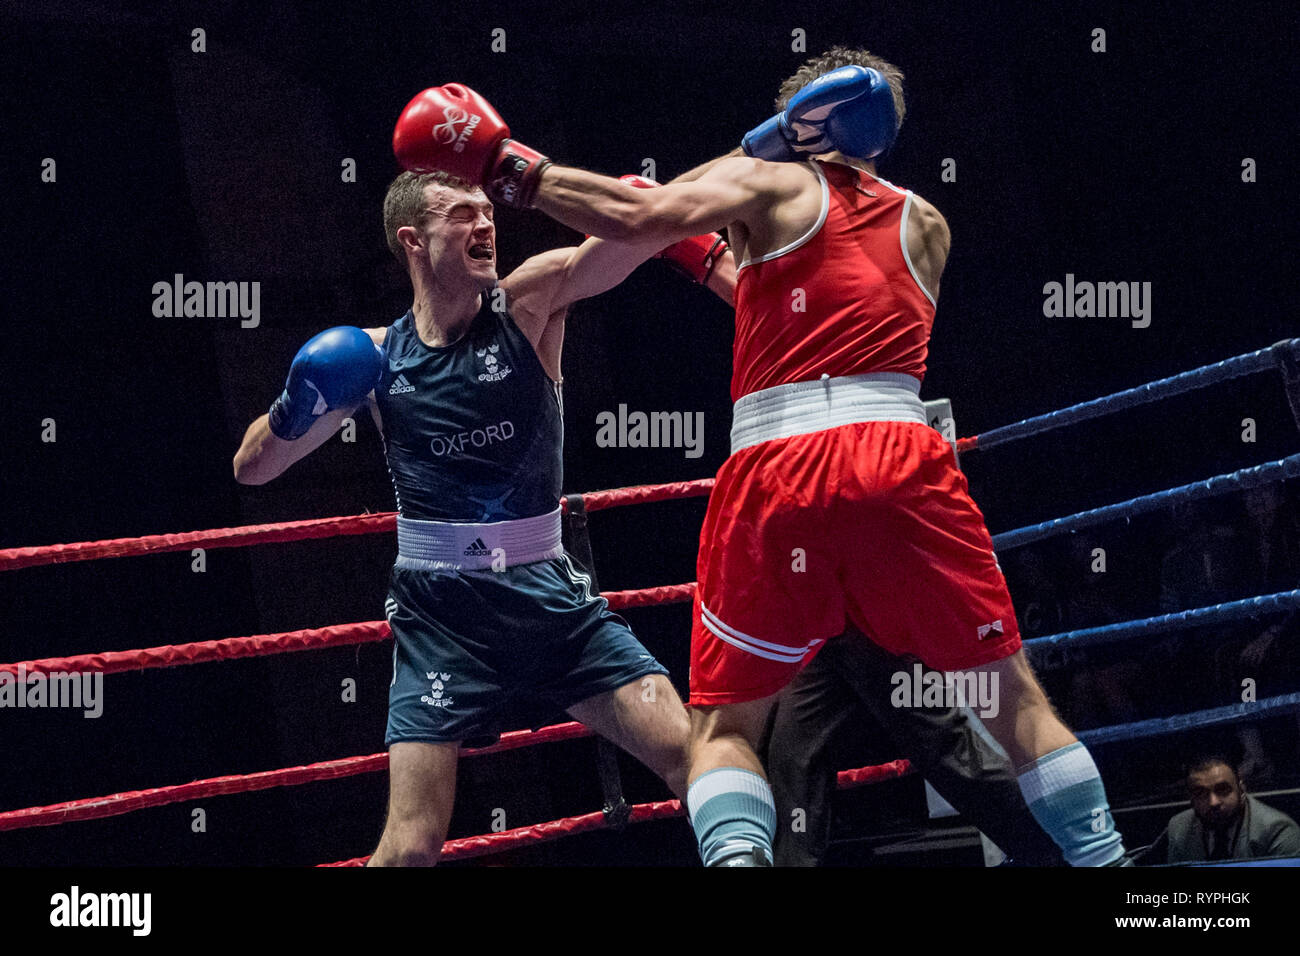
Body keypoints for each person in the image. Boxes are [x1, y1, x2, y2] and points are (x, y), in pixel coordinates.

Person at [391, 44, 1130, 867]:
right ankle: (1115, 871)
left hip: (781, 470)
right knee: (1010, 701)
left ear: (804, 124)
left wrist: (505, 164)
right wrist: (715, 243)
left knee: (725, 728)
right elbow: (805, 298)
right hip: (903, 462)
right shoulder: (928, 223)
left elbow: (639, 216)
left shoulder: (772, 182)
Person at [232, 169, 693, 866]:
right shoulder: (373, 357)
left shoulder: (529, 301)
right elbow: (253, 469)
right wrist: (296, 407)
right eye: (463, 215)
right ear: (413, 240)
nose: (486, 225)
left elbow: (639, 237)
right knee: (412, 843)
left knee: (693, 754)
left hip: (548, 597)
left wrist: (642, 202)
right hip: (441, 615)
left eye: (489, 211)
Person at [1153, 754, 1300, 862]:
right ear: (1190, 797)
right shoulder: (1178, 827)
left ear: (1241, 789)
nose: (1213, 802)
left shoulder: (1278, 831)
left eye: (1223, 789)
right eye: (1200, 793)